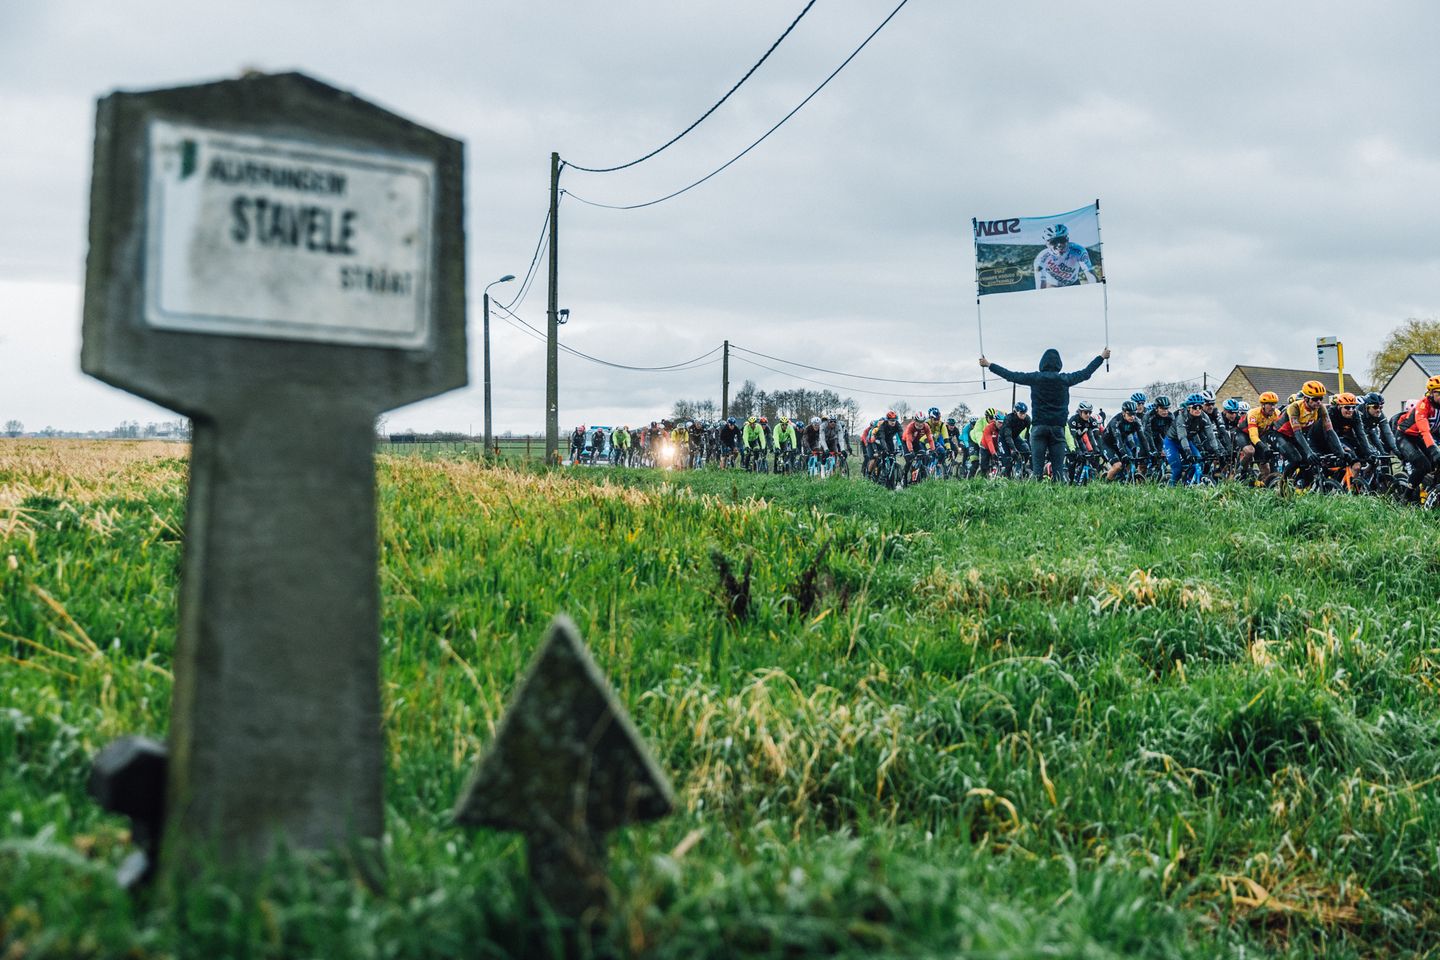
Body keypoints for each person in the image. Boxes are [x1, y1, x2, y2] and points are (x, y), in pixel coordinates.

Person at [980, 347, 1110, 481]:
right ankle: (1058, 492)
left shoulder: (1035, 378)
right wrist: (1101, 357)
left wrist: (989, 365)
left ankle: (1035, 492)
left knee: (1037, 471)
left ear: (1042, 364)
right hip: (1058, 429)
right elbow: (1086, 373)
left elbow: (1011, 375)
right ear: (1059, 364)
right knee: (1058, 471)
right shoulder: (1065, 379)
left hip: (1039, 429)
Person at [1394, 375, 1440, 494]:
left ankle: (1430, 490)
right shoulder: (1423, 405)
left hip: (1420, 437)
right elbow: (1424, 430)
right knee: (1423, 465)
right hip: (1405, 436)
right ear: (1431, 393)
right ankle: (1407, 496)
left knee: (1435, 464)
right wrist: (1434, 450)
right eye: (1439, 393)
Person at [1032, 224, 1098, 289]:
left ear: (1067, 239)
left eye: (1062, 240)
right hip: (1052, 286)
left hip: (1074, 284)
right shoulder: (1041, 258)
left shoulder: (1078, 251)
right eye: (1053, 242)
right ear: (1047, 244)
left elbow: (1090, 274)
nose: (1059, 245)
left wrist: (1096, 290)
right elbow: (1040, 285)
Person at [1103, 400, 1151, 480]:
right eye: (1130, 414)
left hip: (1121, 442)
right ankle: (1105, 484)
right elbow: (1118, 439)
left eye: (1134, 414)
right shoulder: (1116, 421)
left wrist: (1149, 452)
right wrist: (1124, 454)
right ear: (1123, 413)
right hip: (1108, 444)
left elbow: (1143, 439)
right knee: (1117, 466)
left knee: (1130, 463)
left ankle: (1126, 481)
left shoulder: (1136, 421)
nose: (1132, 417)